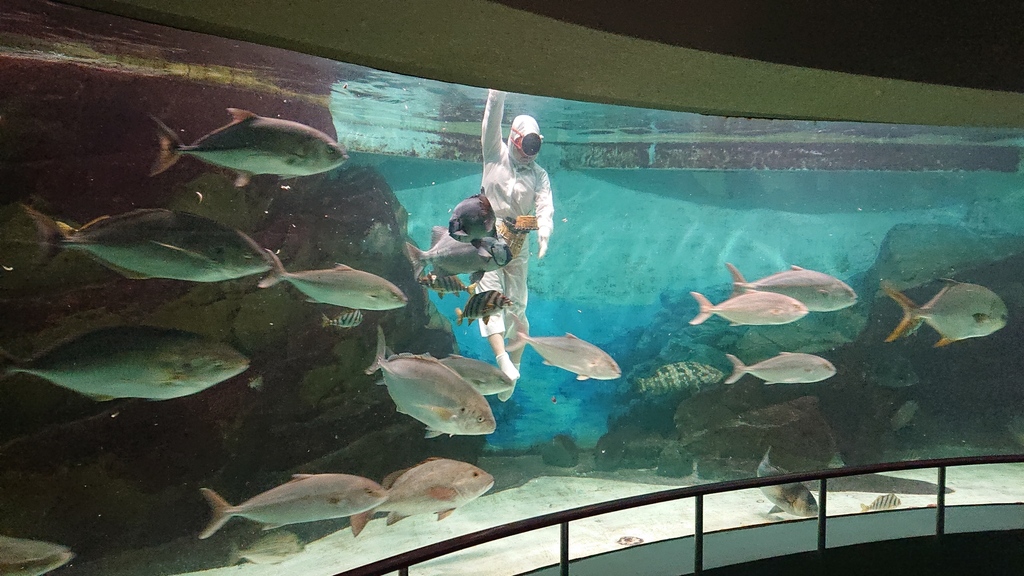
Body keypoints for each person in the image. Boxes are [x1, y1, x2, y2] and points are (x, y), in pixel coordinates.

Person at [475, 89, 554, 391]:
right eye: (528, 144)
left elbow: (545, 206)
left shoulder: (539, 174)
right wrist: (497, 94)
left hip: (519, 244)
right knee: (490, 296)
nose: (531, 152)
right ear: (515, 138)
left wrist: (544, 233)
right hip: (487, 237)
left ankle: (515, 368)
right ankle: (502, 360)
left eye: (536, 146)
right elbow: (490, 123)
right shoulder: (495, 155)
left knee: (518, 304)